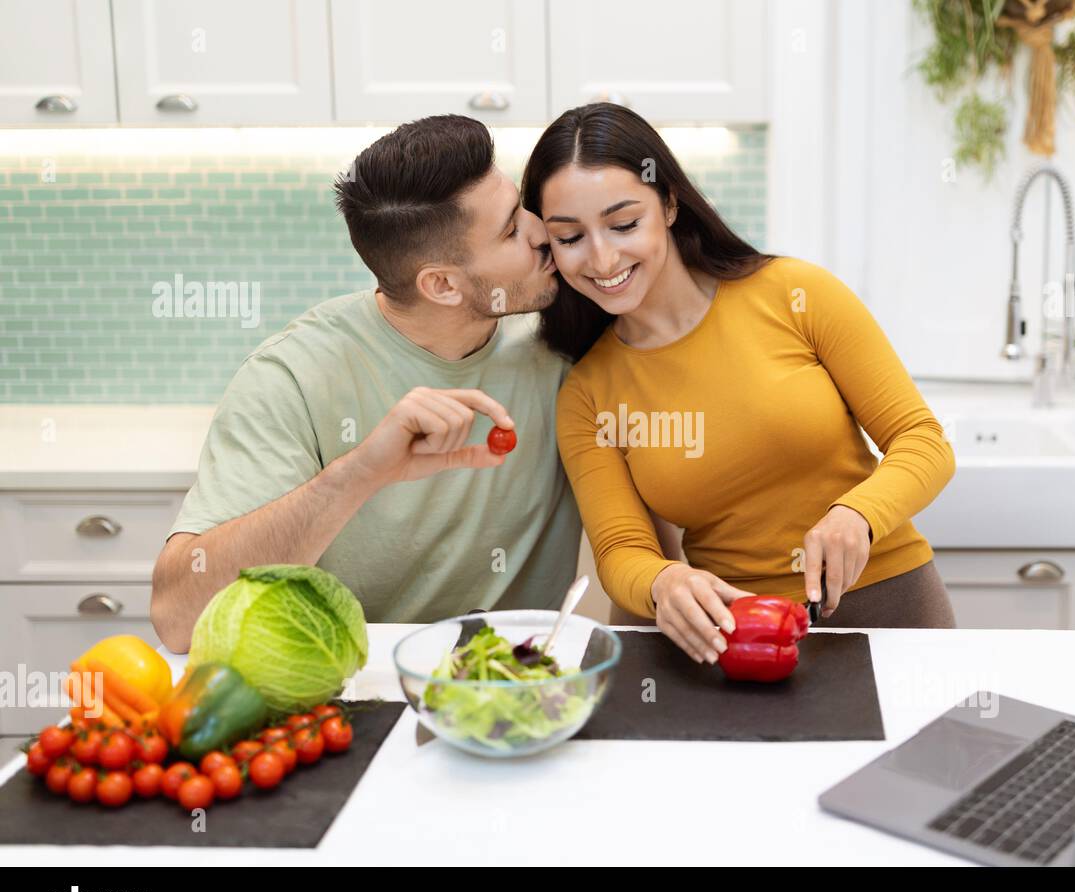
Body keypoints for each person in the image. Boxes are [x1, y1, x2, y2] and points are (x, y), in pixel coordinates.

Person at [521, 104, 958, 666]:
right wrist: (663, 582)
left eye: (624, 224)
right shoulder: (588, 393)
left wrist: (859, 514)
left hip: (890, 607)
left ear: (670, 204)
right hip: (733, 633)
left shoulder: (795, 294)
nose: (603, 258)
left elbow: (923, 440)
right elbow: (622, 549)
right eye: (570, 237)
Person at [151, 115, 580, 652]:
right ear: (442, 284)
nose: (543, 232)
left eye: (521, 208)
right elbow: (178, 618)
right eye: (512, 230)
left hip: (522, 682)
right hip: (352, 684)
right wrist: (360, 473)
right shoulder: (292, 377)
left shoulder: (562, 330)